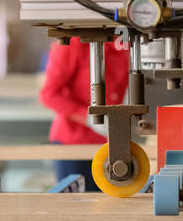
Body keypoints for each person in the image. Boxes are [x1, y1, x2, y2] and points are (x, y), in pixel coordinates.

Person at [39, 36, 130, 190]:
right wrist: (88, 118)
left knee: (109, 206)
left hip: (110, 144)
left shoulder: (124, 45)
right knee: (76, 207)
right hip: (73, 145)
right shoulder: (71, 44)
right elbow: (49, 95)